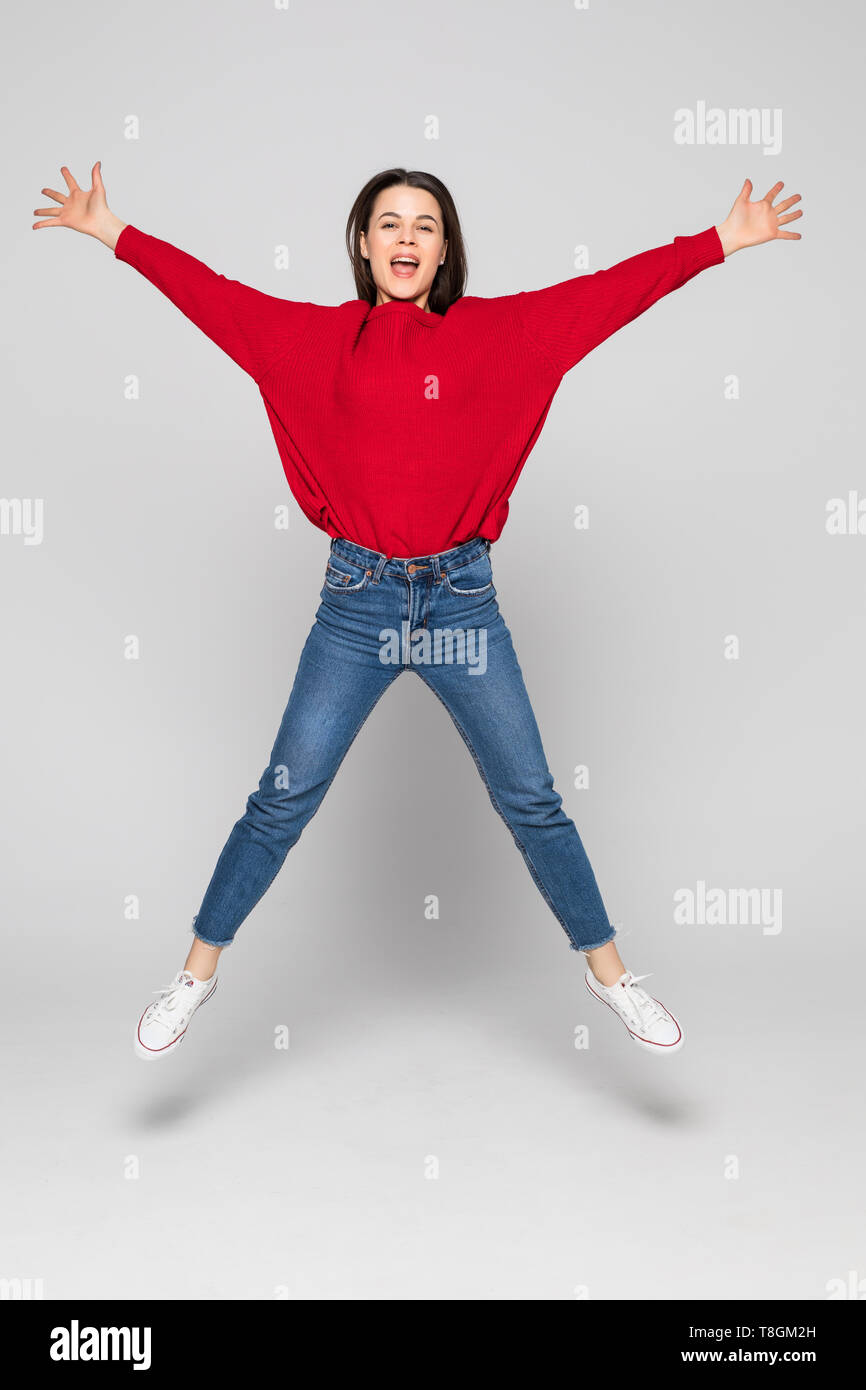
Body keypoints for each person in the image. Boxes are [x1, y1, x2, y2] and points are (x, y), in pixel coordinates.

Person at [33, 162, 802, 1063]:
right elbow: (213, 297)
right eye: (388, 223)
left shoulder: (506, 333)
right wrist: (116, 234)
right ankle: (196, 975)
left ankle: (613, 977)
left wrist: (718, 242)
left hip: (460, 601)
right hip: (356, 605)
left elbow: (609, 294)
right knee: (280, 802)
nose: (406, 238)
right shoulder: (309, 341)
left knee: (533, 802)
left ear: (446, 248)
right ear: (362, 244)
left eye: (425, 225)